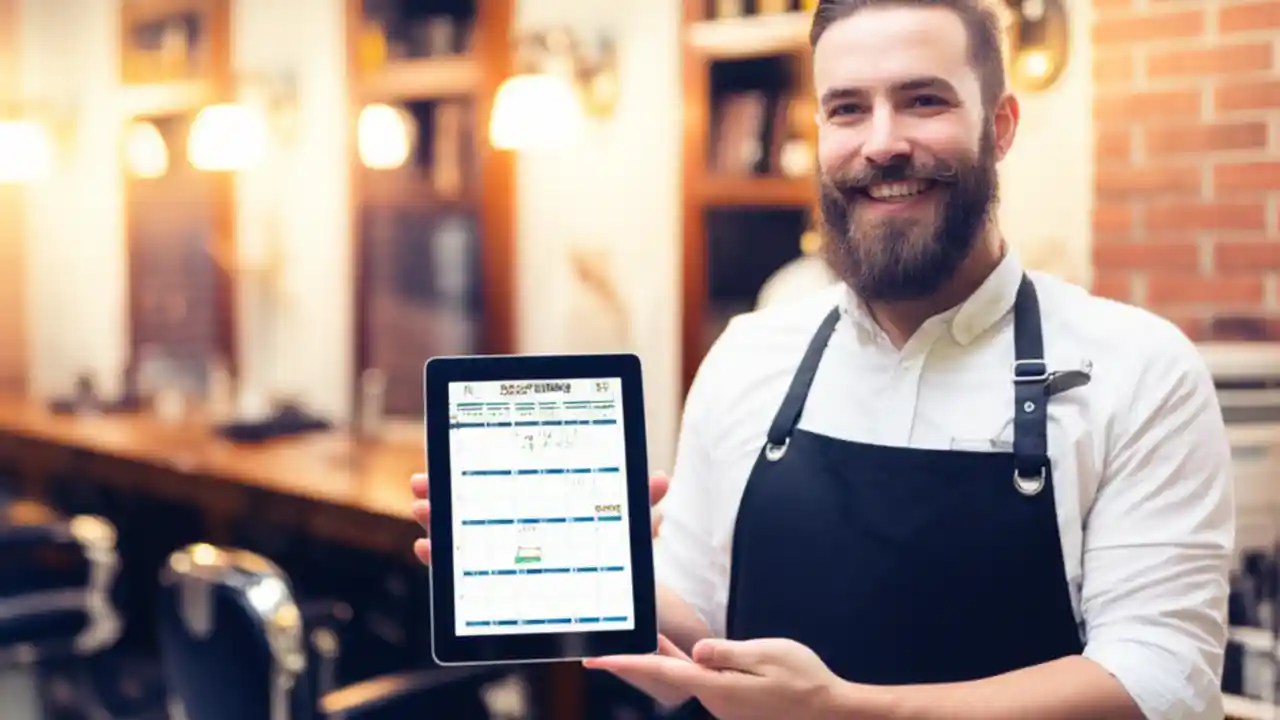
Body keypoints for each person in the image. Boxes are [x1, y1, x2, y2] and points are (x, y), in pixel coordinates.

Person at [411, 0, 1236, 717]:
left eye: (923, 101)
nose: (883, 143)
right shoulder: (750, 355)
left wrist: (844, 711)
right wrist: (565, 564)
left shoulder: (1139, 368)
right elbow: (704, 636)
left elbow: (1161, 681)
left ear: (1001, 125)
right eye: (847, 109)